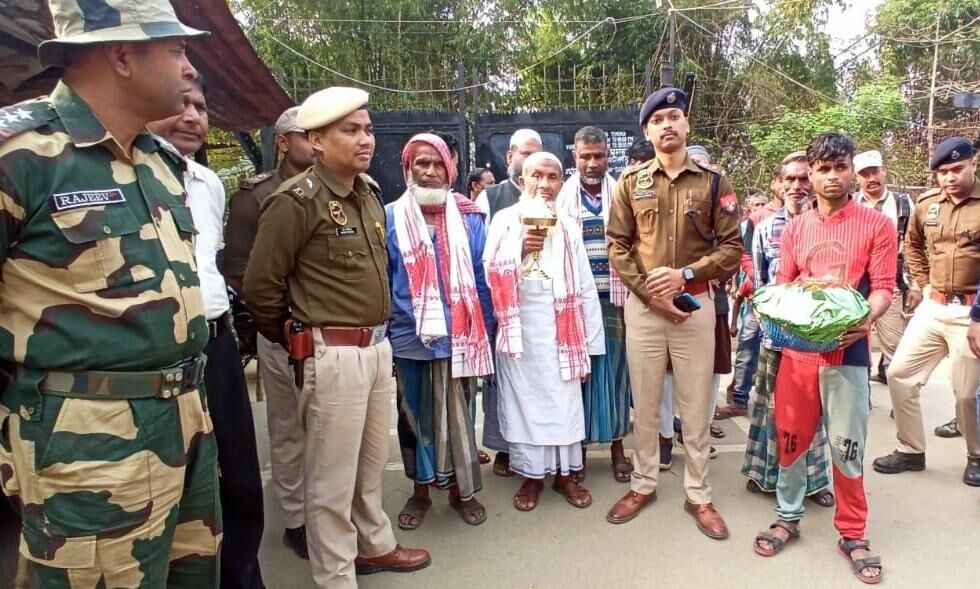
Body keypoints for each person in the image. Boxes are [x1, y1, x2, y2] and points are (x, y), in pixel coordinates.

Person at [0, 1, 221, 586]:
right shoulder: (21, 154)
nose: (188, 67)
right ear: (122, 54)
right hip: (87, 451)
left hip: (185, 424)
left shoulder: (158, 161)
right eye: (175, 49)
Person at [243, 87, 430, 588]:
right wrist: (298, 340)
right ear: (316, 140)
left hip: (376, 348)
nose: (365, 139)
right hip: (333, 354)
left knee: (370, 464)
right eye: (350, 130)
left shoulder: (367, 192)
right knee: (331, 476)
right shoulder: (296, 201)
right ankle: (336, 575)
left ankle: (374, 543)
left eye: (367, 129)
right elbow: (261, 287)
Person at [751, 132, 895, 586]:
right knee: (791, 439)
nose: (832, 176)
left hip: (848, 352)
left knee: (847, 445)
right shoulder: (796, 227)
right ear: (810, 174)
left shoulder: (876, 225)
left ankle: (852, 533)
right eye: (823, 169)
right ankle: (787, 516)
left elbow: (884, 287)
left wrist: (865, 319)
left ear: (852, 171)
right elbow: (784, 284)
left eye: (840, 167)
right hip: (798, 352)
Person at [605, 87, 742, 539]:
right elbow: (617, 245)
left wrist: (686, 275)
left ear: (686, 124)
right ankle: (643, 483)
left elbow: (732, 248)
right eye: (657, 120)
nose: (667, 125)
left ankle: (698, 493)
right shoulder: (631, 183)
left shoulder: (714, 182)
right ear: (647, 131)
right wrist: (649, 293)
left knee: (695, 404)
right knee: (645, 402)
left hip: (693, 306)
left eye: (674, 117)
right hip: (645, 310)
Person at [147, 75, 265, 589]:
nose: (193, 116)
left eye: (200, 105)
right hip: (156, 358)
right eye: (180, 104)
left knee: (240, 479)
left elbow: (210, 267)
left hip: (215, 346)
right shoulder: (120, 179)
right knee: (164, 487)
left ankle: (243, 577)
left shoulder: (209, 184)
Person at [484, 151, 604, 511]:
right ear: (523, 181)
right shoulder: (505, 220)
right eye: (537, 176)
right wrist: (519, 250)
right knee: (525, 407)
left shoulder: (567, 225)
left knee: (565, 405)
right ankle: (532, 477)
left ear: (560, 183)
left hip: (563, 334)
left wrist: (591, 343)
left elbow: (585, 285)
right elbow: (488, 272)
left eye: (553, 177)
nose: (545, 184)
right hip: (520, 332)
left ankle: (566, 476)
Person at [386, 134, 494, 530]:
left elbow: (481, 279)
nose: (430, 172)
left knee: (460, 417)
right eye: (421, 164)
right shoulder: (388, 217)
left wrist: (487, 332)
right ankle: (420, 491)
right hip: (408, 337)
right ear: (408, 169)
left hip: (462, 337)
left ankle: (461, 493)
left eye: (437, 164)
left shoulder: (469, 218)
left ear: (450, 170)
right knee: (413, 418)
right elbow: (383, 279)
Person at [222, 105, 316, 560]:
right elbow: (240, 273)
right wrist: (279, 325)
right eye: (305, 134)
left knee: (333, 431)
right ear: (282, 141)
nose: (315, 142)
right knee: (288, 430)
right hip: (284, 333)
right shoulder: (255, 196)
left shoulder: (339, 186)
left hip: (334, 335)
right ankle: (296, 520)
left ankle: (332, 513)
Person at [872, 137, 980, 487]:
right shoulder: (927, 204)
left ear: (973, 164)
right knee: (900, 374)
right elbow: (913, 243)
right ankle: (910, 449)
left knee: (966, 393)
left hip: (972, 313)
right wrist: (922, 282)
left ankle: (976, 455)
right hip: (934, 307)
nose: (950, 178)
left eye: (957, 169)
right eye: (943, 172)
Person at [740, 151, 834, 508]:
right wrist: (774, 327)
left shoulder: (827, 226)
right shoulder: (765, 229)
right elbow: (761, 286)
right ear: (778, 185)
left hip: (817, 342)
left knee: (815, 413)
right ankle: (765, 475)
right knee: (771, 409)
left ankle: (815, 481)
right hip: (776, 338)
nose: (797, 186)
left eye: (803, 178)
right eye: (789, 179)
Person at [556, 126, 633, 483]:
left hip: (616, 302)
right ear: (575, 156)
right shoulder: (561, 198)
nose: (591, 163)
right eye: (585, 156)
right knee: (580, 377)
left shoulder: (623, 195)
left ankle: (618, 448)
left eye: (598, 156)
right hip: (576, 304)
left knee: (618, 376)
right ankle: (580, 453)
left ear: (608, 157)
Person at [476, 128, 544, 477]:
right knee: (501, 383)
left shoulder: (553, 195)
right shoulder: (491, 198)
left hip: (542, 309)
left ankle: (541, 447)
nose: (531, 160)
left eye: (538, 153)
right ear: (510, 157)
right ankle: (503, 447)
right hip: (502, 306)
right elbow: (483, 253)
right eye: (525, 153)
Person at [717, 166, 786, 419]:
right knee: (747, 348)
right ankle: (739, 399)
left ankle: (781, 404)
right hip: (758, 296)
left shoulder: (807, 215)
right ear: (774, 183)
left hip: (791, 300)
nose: (789, 186)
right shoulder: (758, 220)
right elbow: (744, 254)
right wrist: (758, 281)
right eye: (785, 180)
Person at [854, 150, 919, 384]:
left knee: (894, 345)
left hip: (890, 283)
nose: (871, 178)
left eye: (875, 172)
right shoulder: (849, 204)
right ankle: (862, 394)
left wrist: (916, 284)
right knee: (853, 342)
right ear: (856, 178)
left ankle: (899, 395)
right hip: (855, 285)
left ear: (884, 172)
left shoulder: (903, 204)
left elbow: (916, 245)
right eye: (865, 174)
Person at [475, 128, 543, 219]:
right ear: (510, 157)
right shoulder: (489, 197)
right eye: (527, 154)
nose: (533, 160)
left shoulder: (552, 196)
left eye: (537, 155)